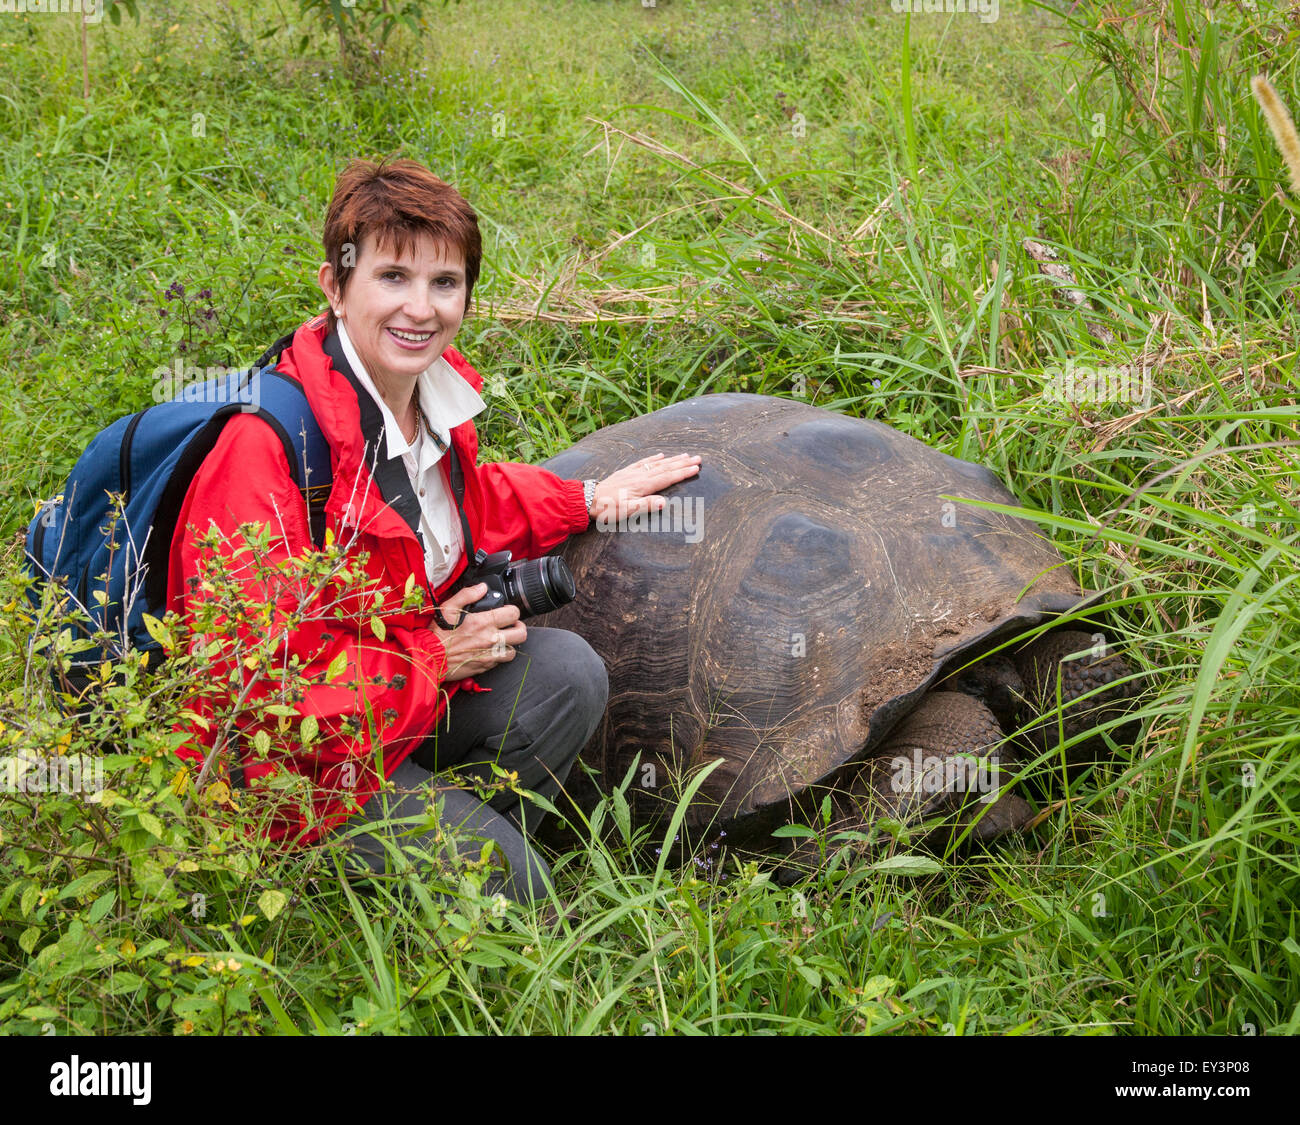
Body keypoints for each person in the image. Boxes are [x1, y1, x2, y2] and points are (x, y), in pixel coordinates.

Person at [167, 158, 700, 903]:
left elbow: (468, 501)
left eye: (444, 283)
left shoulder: (427, 404)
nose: (420, 308)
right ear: (334, 284)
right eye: (392, 277)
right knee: (522, 892)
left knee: (569, 675)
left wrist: (587, 498)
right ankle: (323, 874)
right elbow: (257, 690)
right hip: (288, 773)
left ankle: (438, 829)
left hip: (383, 718)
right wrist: (433, 656)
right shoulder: (264, 451)